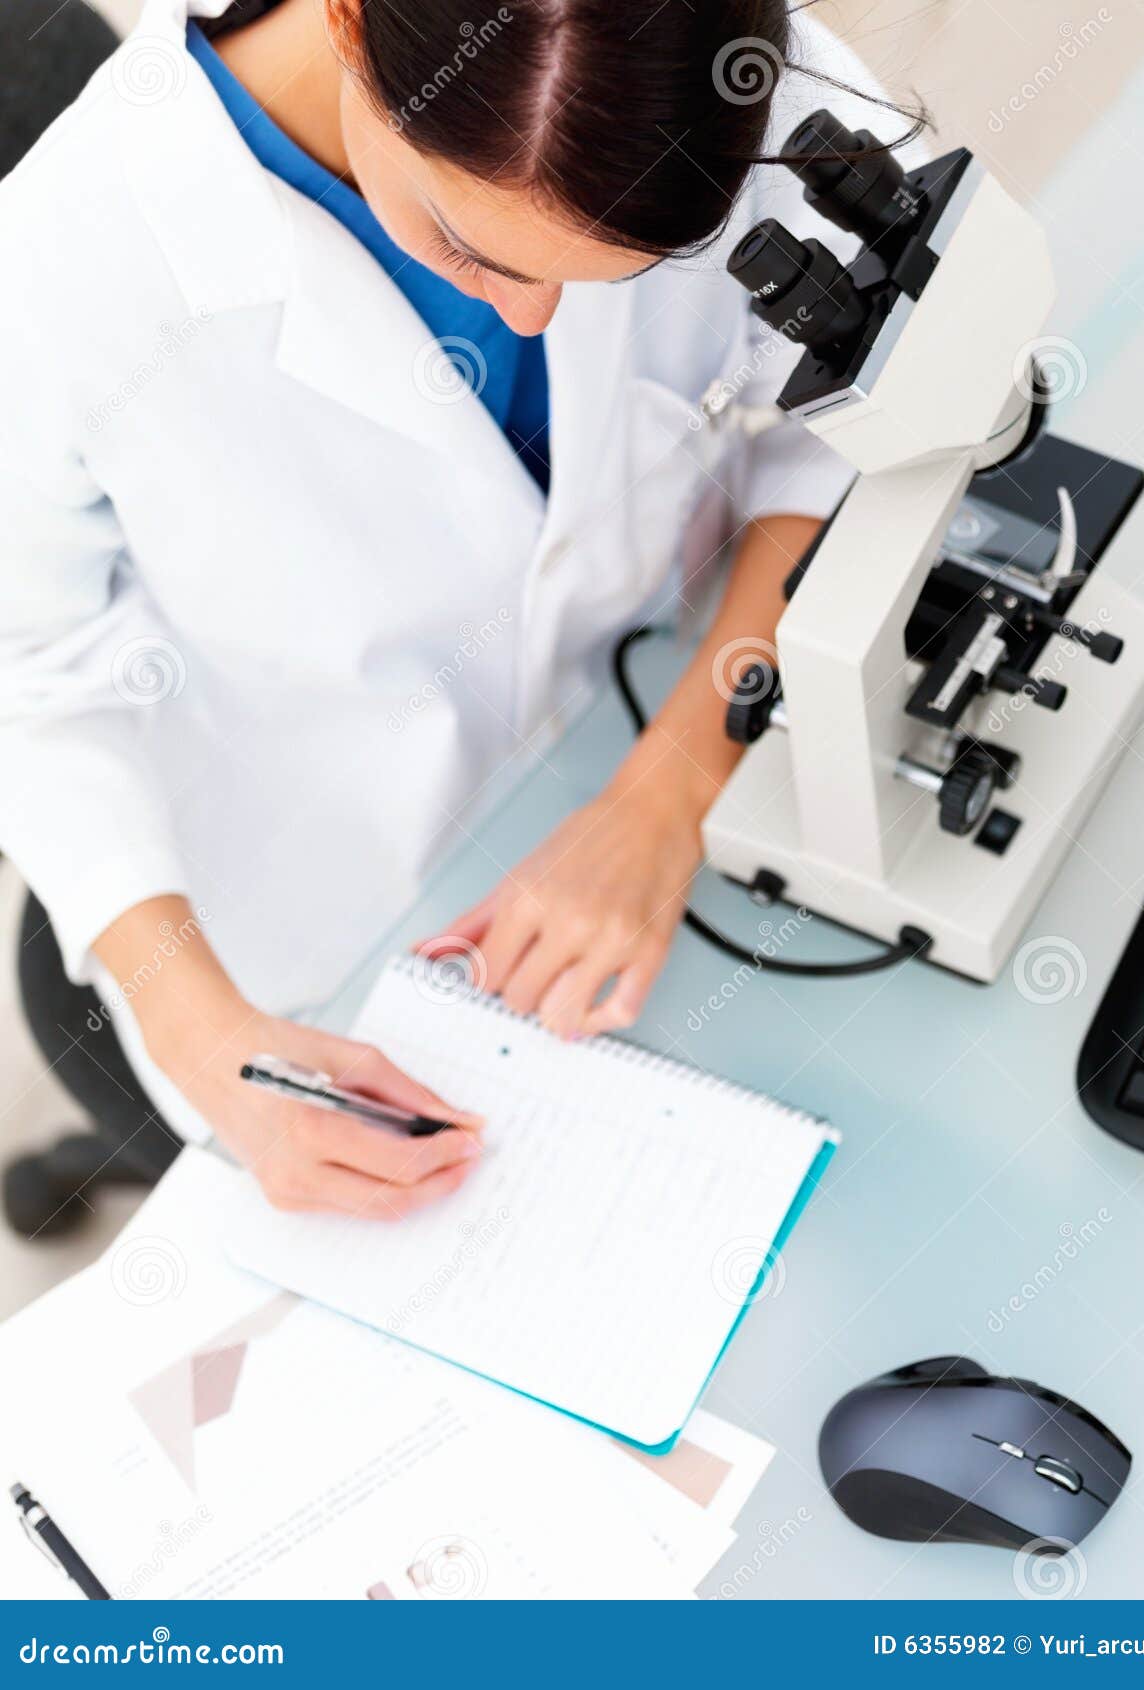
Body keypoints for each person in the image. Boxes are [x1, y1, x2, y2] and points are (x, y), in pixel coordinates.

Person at [0, 0, 915, 1226]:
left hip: (636, 777)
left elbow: (857, 432)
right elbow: (32, 670)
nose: (531, 316)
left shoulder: (739, 84)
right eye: (467, 242)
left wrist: (669, 787)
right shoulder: (71, 252)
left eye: (607, 277)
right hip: (299, 933)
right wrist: (199, 1029)